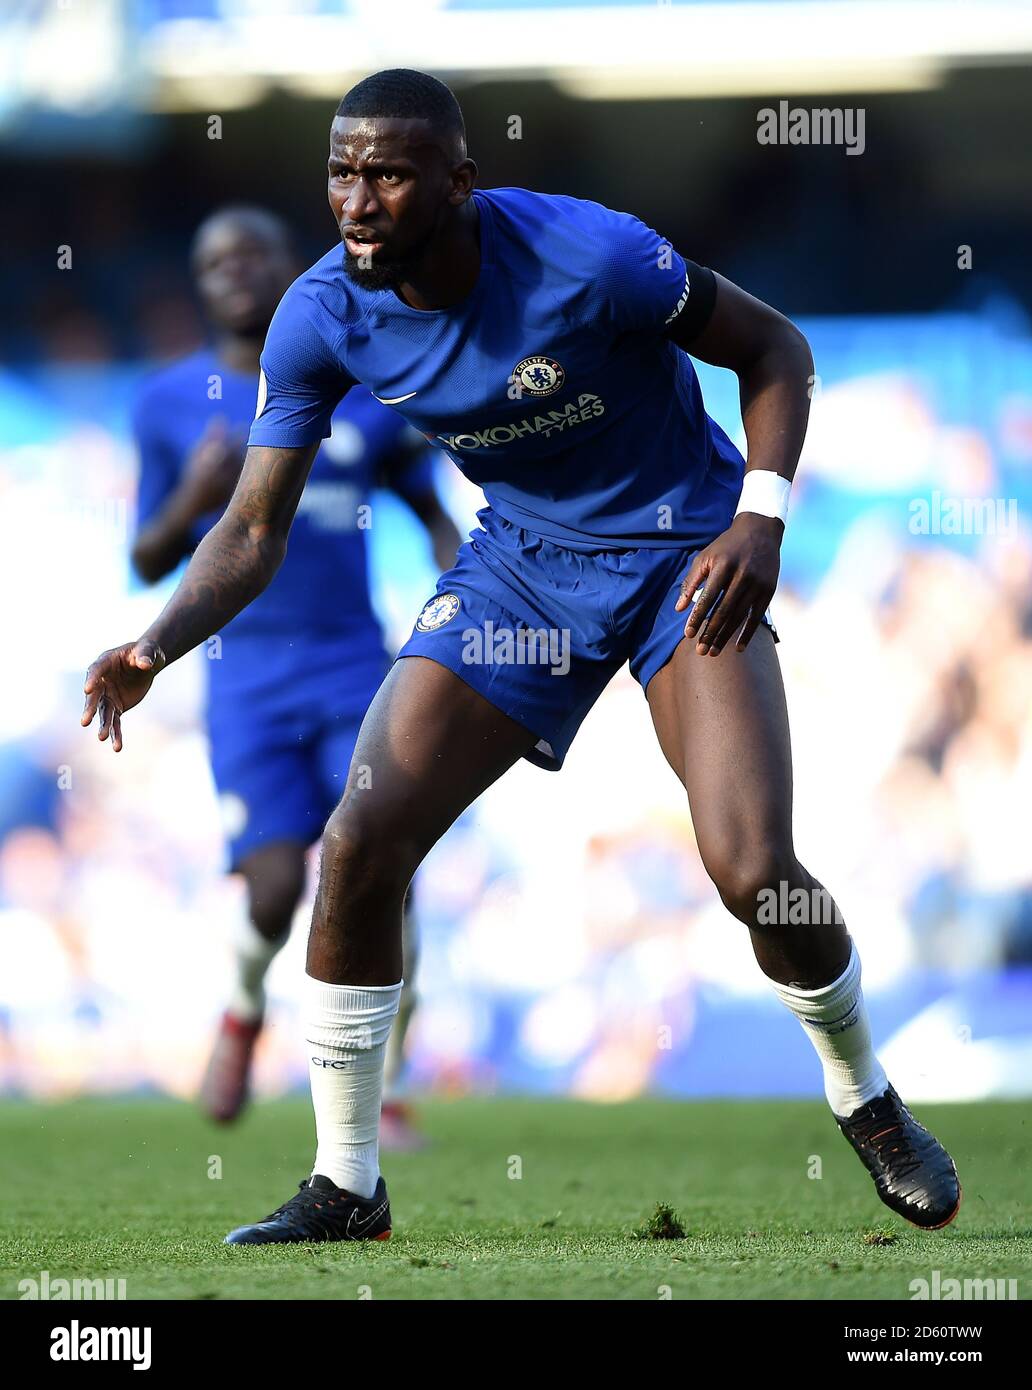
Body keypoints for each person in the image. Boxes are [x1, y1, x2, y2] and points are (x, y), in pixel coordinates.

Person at [84, 70, 960, 1245]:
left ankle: (865, 1094)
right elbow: (250, 530)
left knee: (755, 869)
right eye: (341, 173)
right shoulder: (320, 313)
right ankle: (349, 1182)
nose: (357, 200)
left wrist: (761, 516)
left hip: (681, 557)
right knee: (358, 839)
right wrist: (151, 646)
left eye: (387, 174)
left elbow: (775, 349)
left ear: (458, 181)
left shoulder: (591, 258)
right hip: (521, 575)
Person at [129, 204, 460, 1139]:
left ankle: (384, 1089)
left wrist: (454, 561)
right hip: (245, 680)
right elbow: (146, 558)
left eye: (253, 253)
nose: (234, 270)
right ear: (199, 284)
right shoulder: (165, 404)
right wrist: (196, 498)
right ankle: (241, 1011)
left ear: (288, 268)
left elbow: (415, 489)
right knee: (275, 887)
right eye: (214, 259)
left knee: (384, 870)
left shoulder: (355, 388)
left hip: (357, 668)